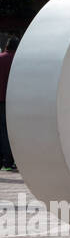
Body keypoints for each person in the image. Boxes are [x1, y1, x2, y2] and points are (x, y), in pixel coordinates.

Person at [0, 37, 16, 170]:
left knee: (2, 131)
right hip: (13, 101)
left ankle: (4, 161)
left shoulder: (1, 58)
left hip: (0, 100)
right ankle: (10, 161)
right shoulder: (18, 60)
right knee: (10, 131)